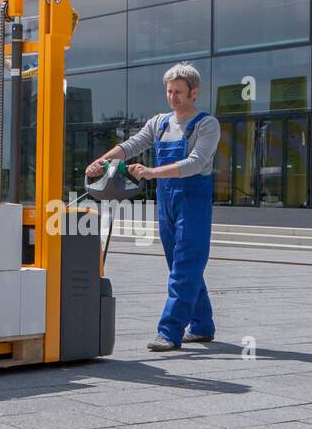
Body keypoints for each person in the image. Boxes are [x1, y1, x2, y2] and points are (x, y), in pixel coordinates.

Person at [86, 62, 220, 352]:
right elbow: (132, 145)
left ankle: (169, 332)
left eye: (179, 92)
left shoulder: (206, 124)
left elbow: (195, 163)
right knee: (180, 265)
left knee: (185, 266)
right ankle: (202, 324)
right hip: (167, 201)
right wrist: (102, 161)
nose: (173, 97)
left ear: (194, 92)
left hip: (193, 201)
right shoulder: (159, 123)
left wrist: (150, 172)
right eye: (169, 91)